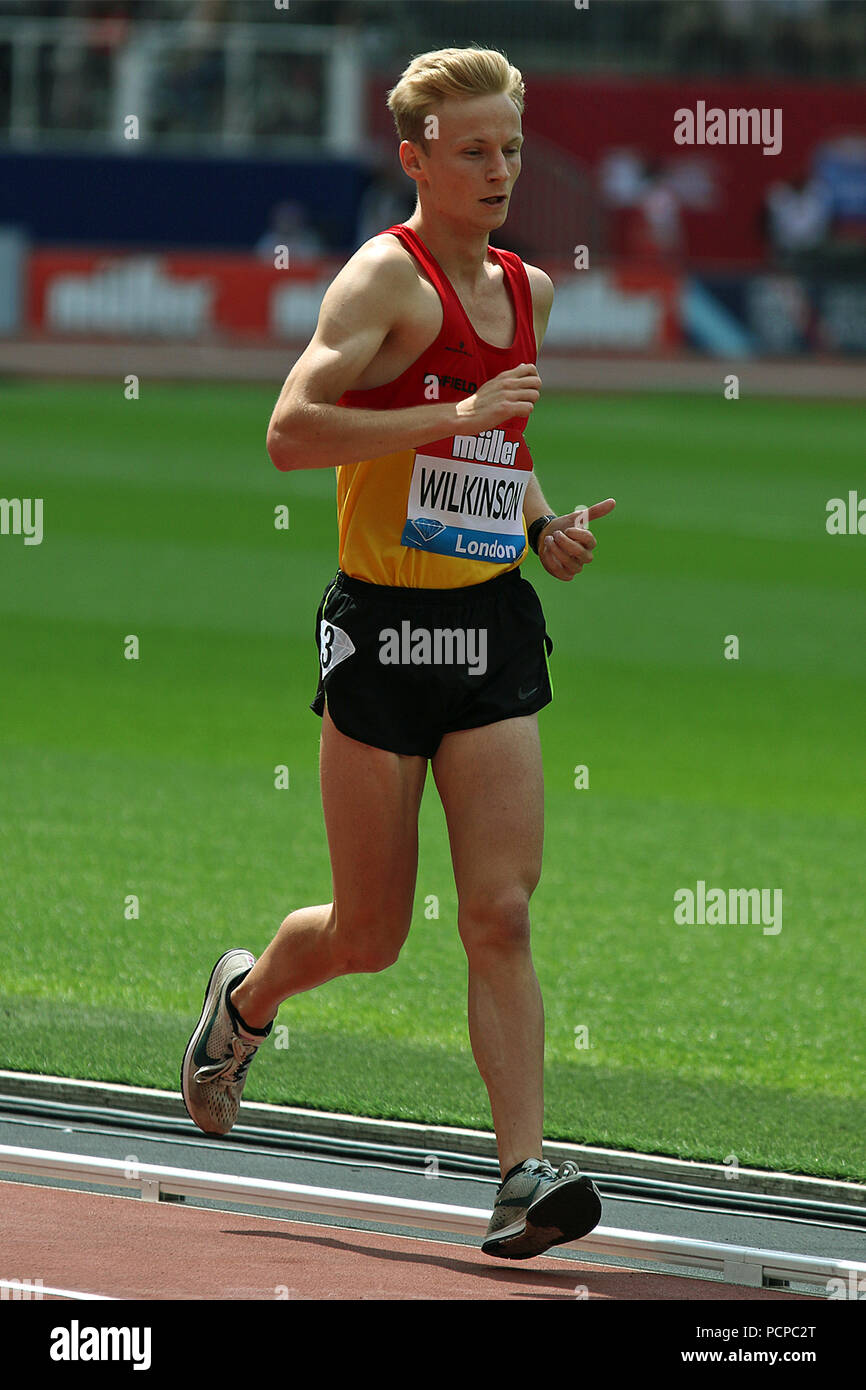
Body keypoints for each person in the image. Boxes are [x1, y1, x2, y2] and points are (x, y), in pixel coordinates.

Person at [182, 45, 615, 1261]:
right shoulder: (385, 276)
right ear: (415, 157)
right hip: (381, 631)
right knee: (372, 932)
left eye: (511, 149)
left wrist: (542, 524)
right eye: (471, 151)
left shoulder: (529, 289)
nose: (497, 170)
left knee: (500, 911)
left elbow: (499, 449)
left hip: (485, 629)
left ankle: (519, 1175)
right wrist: (449, 412)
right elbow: (287, 433)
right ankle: (245, 1001)